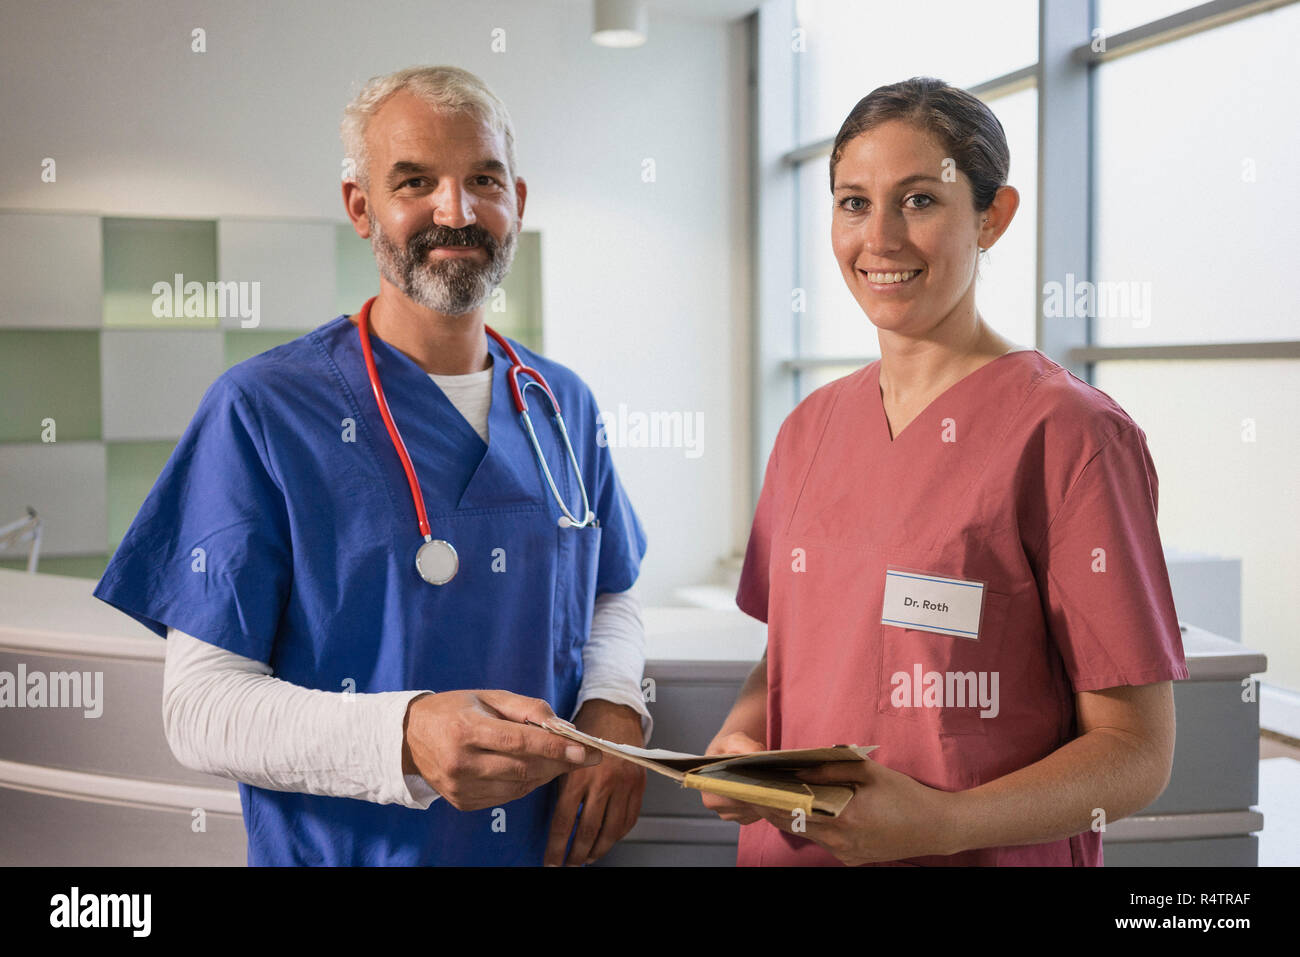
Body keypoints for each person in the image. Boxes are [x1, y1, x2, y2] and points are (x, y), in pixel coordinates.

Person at [93, 65, 650, 866]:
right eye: (415, 181)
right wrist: (407, 735)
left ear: (517, 202)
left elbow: (611, 591)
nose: (454, 210)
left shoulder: (562, 403)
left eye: (482, 180)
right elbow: (199, 708)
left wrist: (614, 703)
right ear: (362, 207)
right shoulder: (263, 409)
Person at [701, 76, 1188, 866]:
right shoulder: (808, 430)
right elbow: (796, 651)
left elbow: (1136, 754)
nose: (880, 238)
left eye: (920, 200)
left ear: (992, 216)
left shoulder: (1071, 434)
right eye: (853, 202)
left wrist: (943, 824)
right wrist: (743, 740)